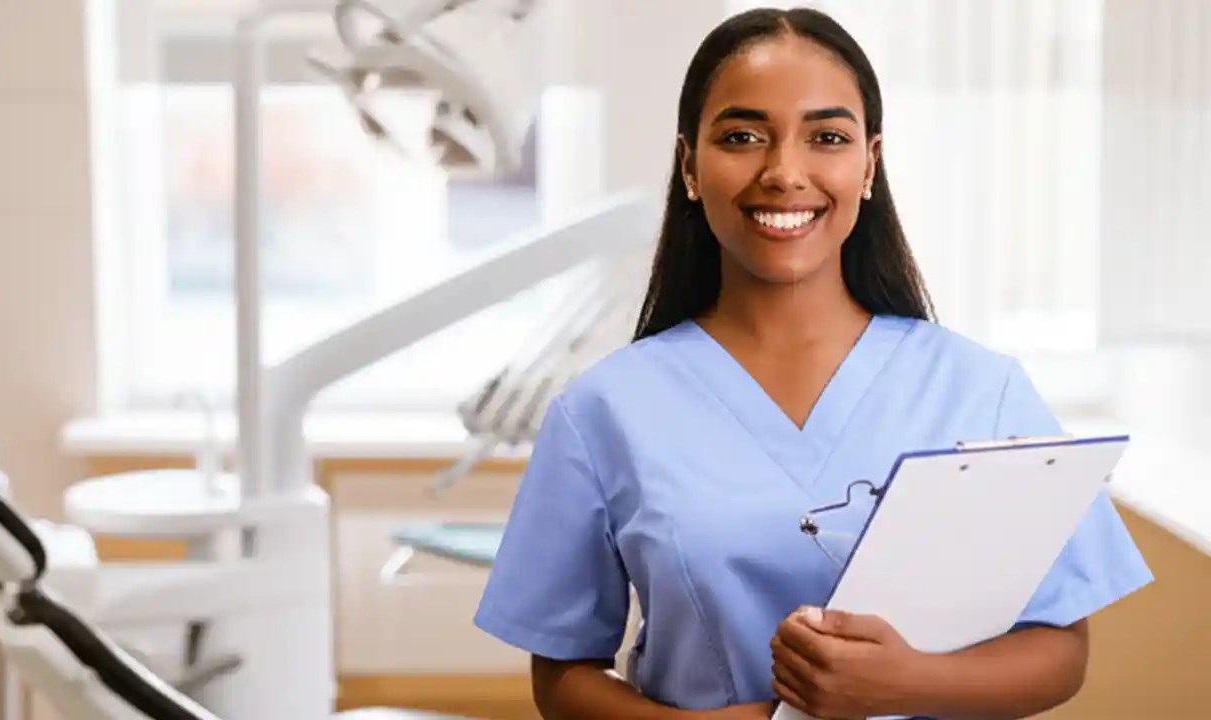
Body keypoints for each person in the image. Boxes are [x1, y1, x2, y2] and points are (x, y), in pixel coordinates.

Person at [473, 7, 1152, 719]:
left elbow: (1060, 650)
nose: (784, 173)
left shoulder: (983, 391)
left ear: (869, 164)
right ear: (689, 166)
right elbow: (561, 673)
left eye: (826, 137)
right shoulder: (603, 410)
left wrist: (907, 683)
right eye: (741, 137)